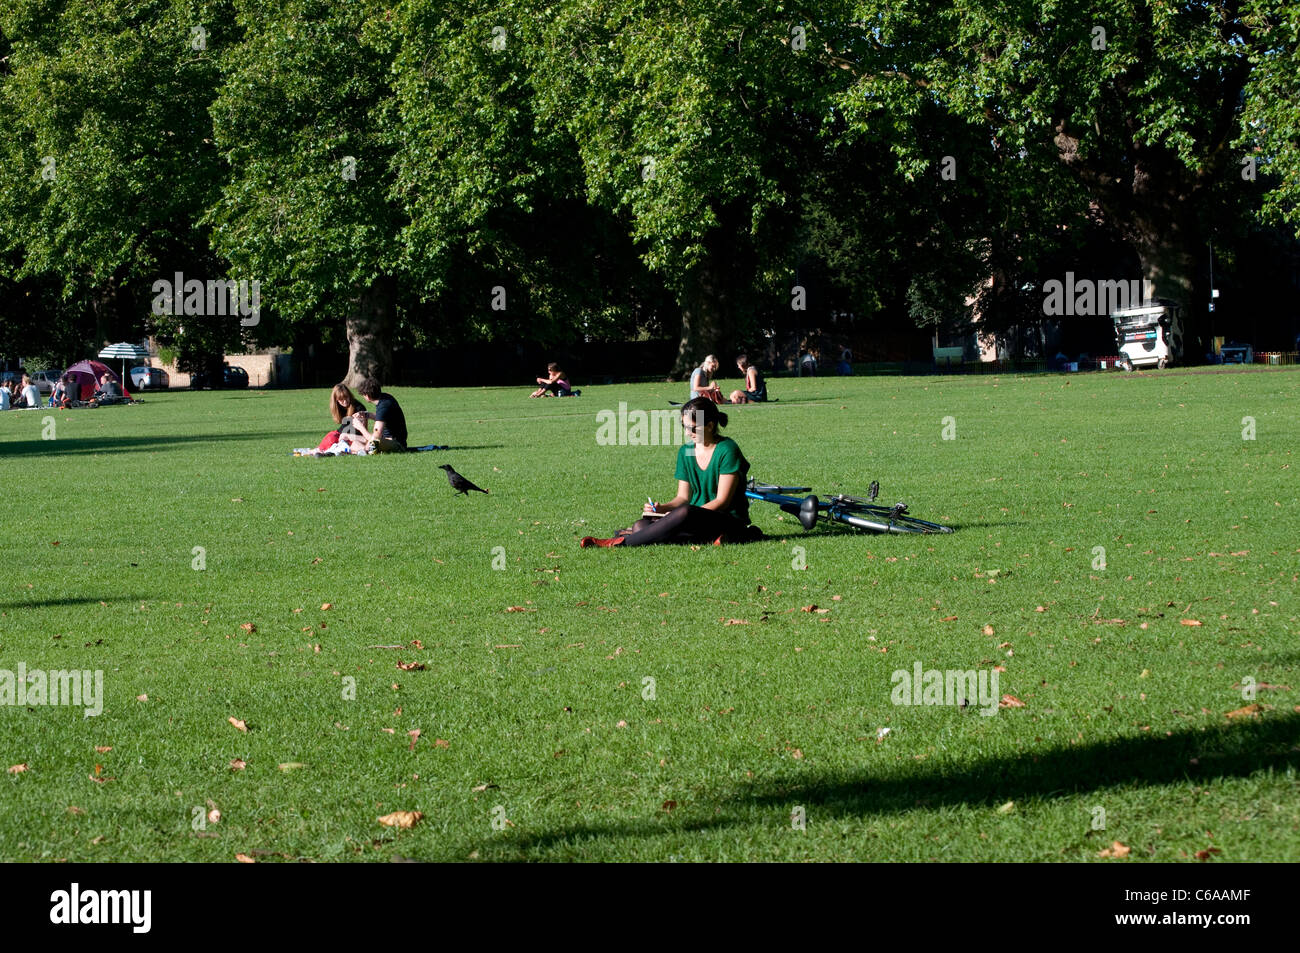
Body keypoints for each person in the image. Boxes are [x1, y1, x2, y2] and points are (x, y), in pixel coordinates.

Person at [580, 397, 759, 547]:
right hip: (694, 518)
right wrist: (662, 508)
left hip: (726, 518)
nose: (688, 433)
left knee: (685, 513)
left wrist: (678, 516)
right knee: (640, 525)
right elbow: (682, 497)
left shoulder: (727, 449)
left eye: (693, 428)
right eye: (685, 427)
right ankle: (724, 538)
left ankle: (621, 543)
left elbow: (721, 501)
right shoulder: (686, 451)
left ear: (710, 426)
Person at [357, 377, 408, 452]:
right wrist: (366, 415)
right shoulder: (385, 398)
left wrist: (359, 427)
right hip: (388, 440)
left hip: (396, 444)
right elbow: (383, 418)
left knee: (373, 443)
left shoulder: (383, 406)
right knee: (350, 438)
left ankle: (362, 450)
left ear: (367, 396)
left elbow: (377, 435)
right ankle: (361, 450)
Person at [328, 383, 373, 453]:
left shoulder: (359, 409)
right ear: (336, 400)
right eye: (341, 399)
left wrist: (347, 436)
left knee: (334, 438)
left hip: (356, 438)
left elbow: (363, 433)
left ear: (350, 396)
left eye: (346, 397)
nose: (345, 401)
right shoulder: (339, 408)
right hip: (344, 436)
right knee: (331, 436)